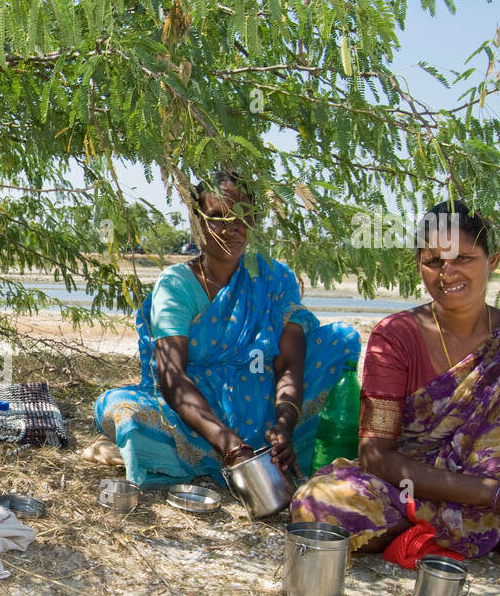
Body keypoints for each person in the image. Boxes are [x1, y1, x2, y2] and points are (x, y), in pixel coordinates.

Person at [291, 201, 500, 586]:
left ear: (492, 261)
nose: (448, 273)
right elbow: (376, 456)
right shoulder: (395, 336)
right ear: (418, 265)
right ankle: (497, 530)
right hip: (417, 485)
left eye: (463, 258)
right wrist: (497, 497)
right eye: (434, 261)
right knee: (317, 503)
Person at [94, 171, 361, 486]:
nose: (230, 228)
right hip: (195, 410)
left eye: (242, 216)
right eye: (217, 217)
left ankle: (275, 448)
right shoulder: (177, 285)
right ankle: (202, 454)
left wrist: (285, 423)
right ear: (199, 222)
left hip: (265, 400)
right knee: (125, 410)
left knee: (340, 343)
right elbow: (171, 377)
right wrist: (229, 444)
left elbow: (289, 362)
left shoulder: (275, 278)